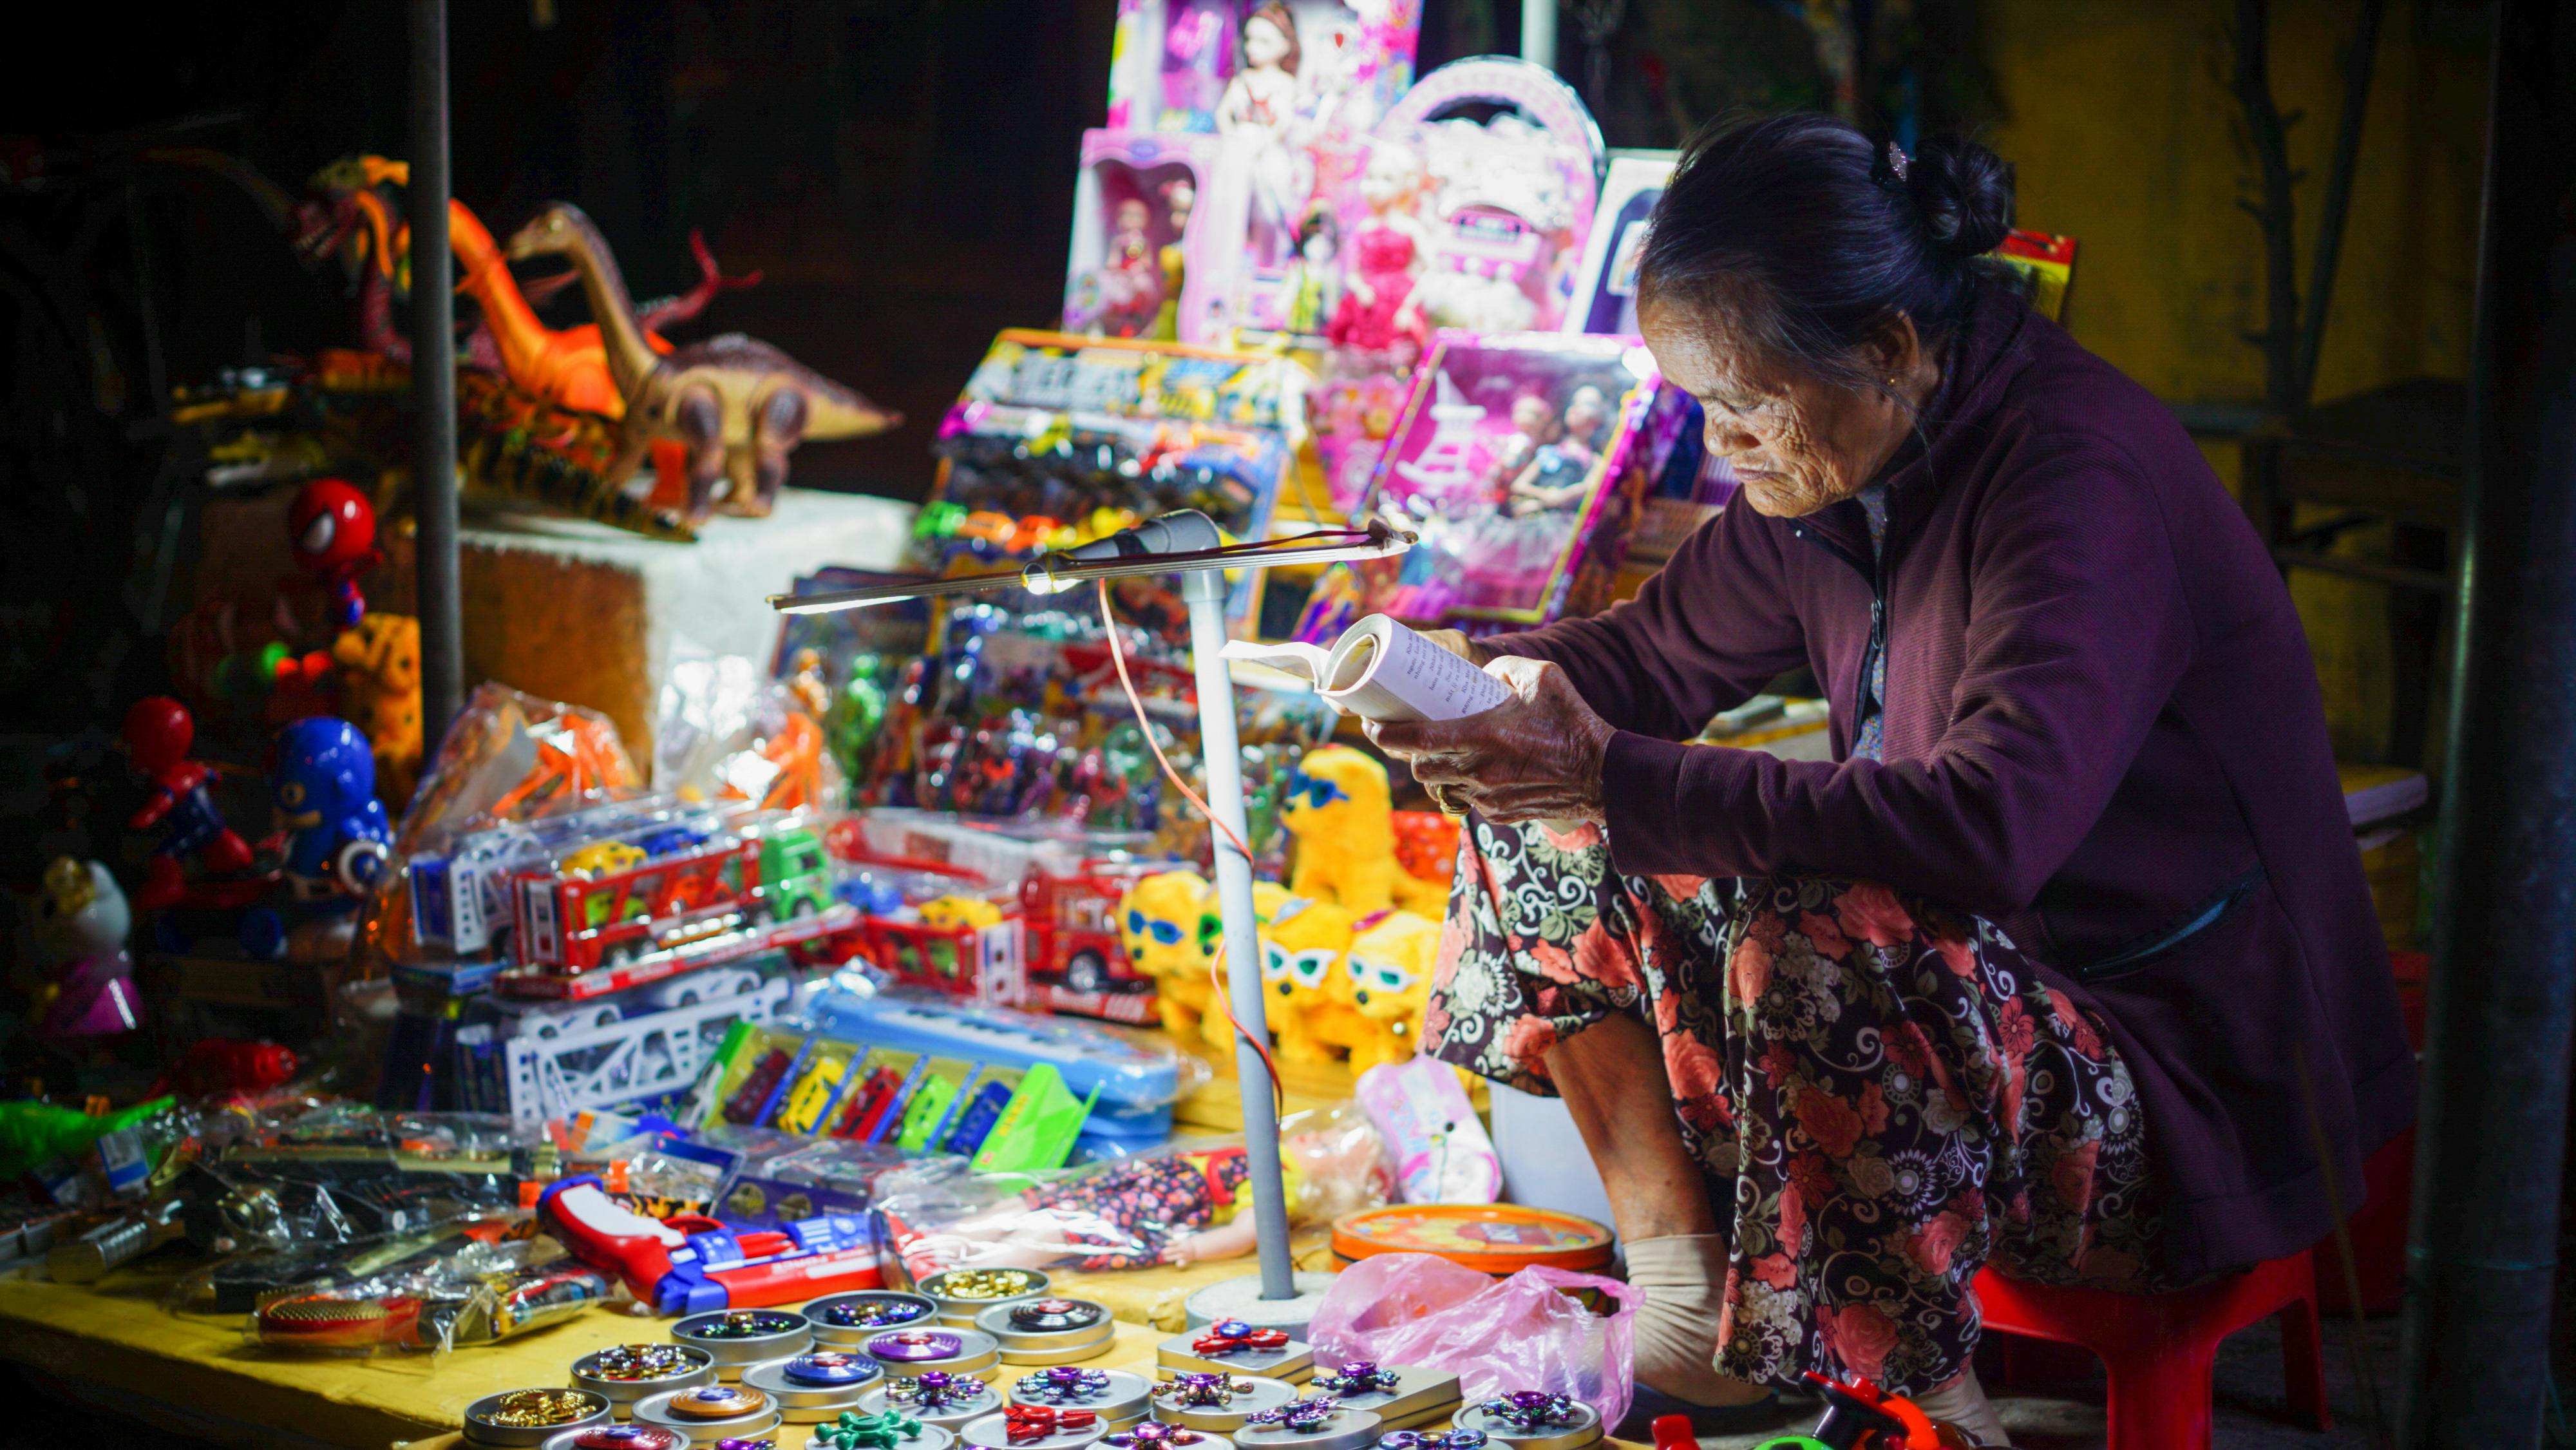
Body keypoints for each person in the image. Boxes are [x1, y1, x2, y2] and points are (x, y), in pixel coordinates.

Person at [1368, 114, 2414, 1445]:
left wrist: (1621, 769)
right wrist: (1486, 696)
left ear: (1888, 351)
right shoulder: (1840, 466)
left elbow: (1990, 828)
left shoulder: (2068, 481)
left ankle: (1922, 1402)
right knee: (1541, 823)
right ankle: (1693, 1306)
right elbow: (1652, 657)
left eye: (1744, 402)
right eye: (1704, 402)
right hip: (1992, 997)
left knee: (1813, 921)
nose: (1722, 442)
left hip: (2183, 1069)